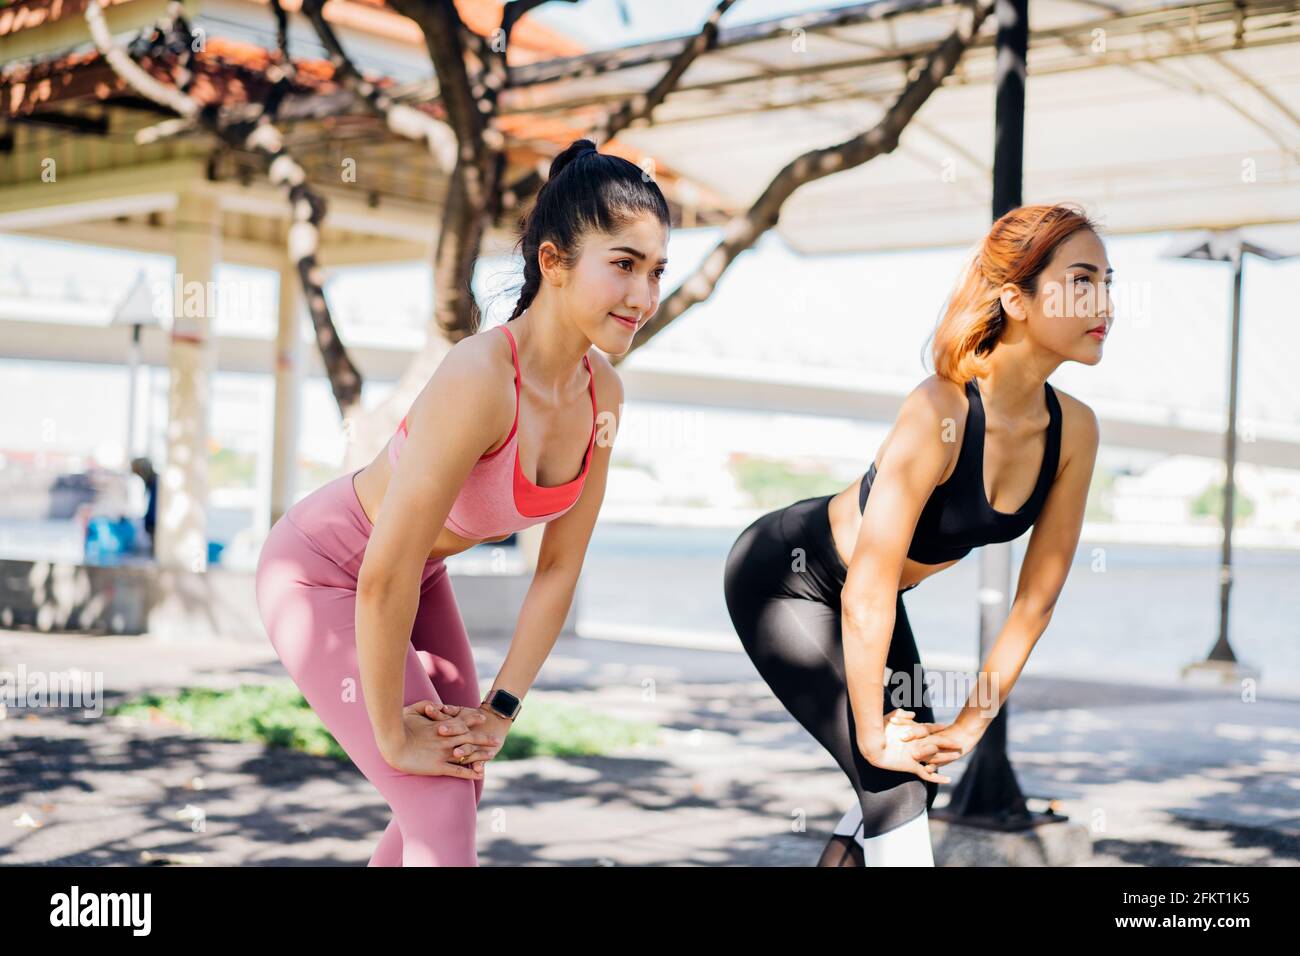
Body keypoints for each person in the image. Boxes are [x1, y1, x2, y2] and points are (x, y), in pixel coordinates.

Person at [255, 138, 670, 866]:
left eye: (657, 271)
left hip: (413, 576)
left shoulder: (604, 393)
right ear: (553, 262)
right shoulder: (481, 375)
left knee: (453, 784)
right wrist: (390, 730)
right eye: (625, 265)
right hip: (324, 571)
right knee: (439, 799)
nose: (643, 296)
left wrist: (501, 710)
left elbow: (557, 572)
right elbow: (383, 569)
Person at [723, 203, 1109, 866]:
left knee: (912, 778)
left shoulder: (1075, 429)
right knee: (895, 782)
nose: (1104, 301)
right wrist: (872, 735)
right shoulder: (942, 407)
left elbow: (1035, 602)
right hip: (784, 579)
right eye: (1082, 280)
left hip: (869, 601)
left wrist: (970, 724)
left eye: (1109, 282)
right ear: (1015, 297)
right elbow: (866, 588)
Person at [129, 457, 157, 556]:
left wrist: (148, 522)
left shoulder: (155, 483)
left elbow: (153, 508)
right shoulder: (151, 483)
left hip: (154, 523)